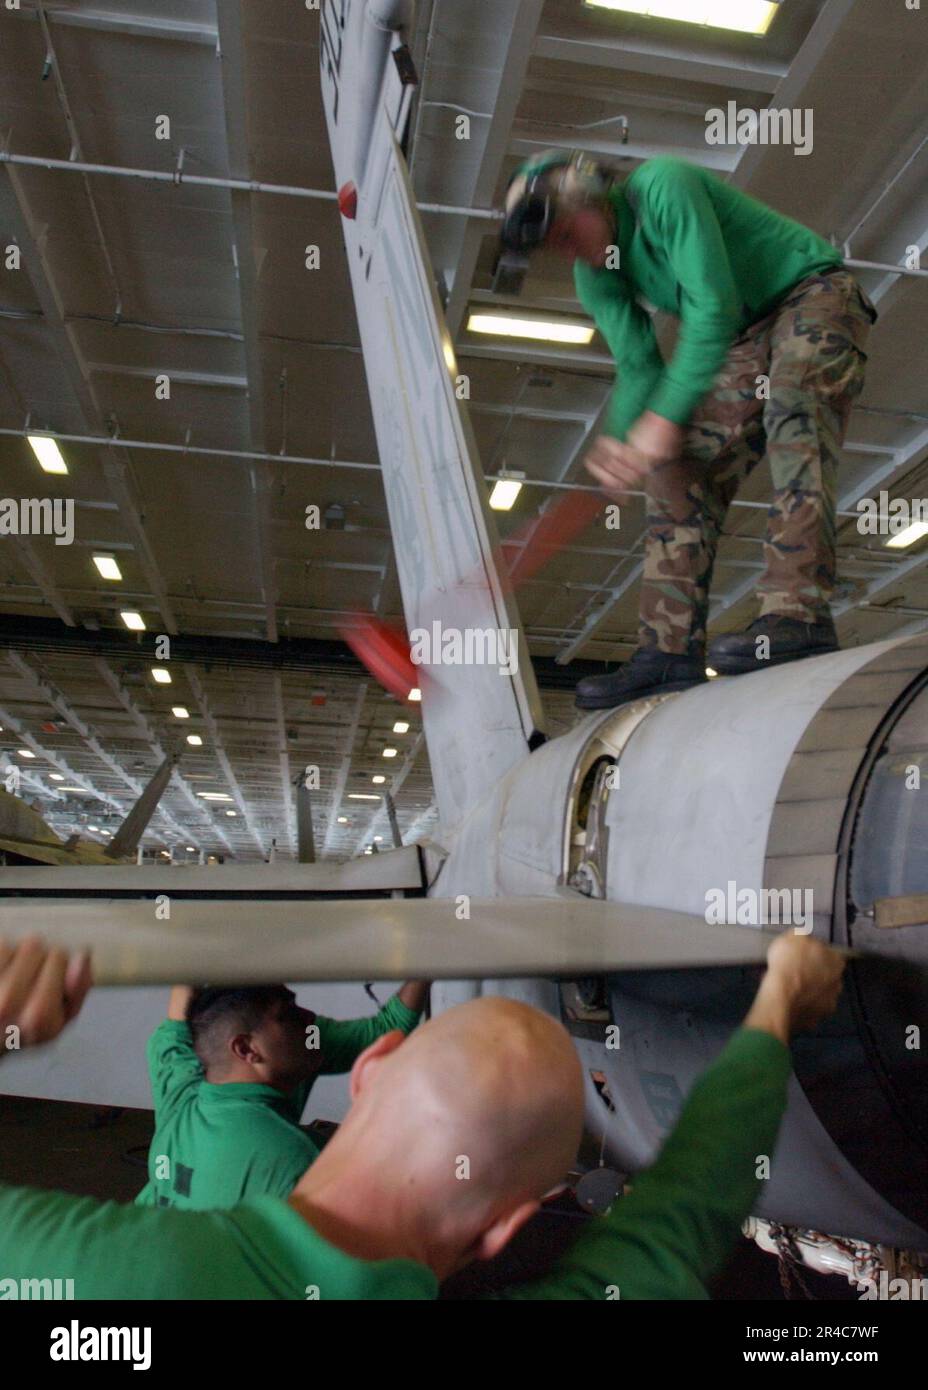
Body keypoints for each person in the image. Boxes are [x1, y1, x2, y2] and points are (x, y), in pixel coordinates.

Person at [0, 930, 843, 1299]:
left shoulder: (88, 1270)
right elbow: (681, 1219)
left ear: (367, 1071)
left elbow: (678, 1225)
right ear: (505, 1229)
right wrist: (775, 1007)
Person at [500, 152, 877, 709]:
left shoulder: (662, 187)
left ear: (590, 196)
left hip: (813, 295)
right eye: (552, 245)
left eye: (564, 231)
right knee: (674, 469)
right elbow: (638, 367)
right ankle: (669, 653)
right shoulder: (594, 273)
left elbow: (713, 307)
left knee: (793, 413)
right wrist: (623, 438)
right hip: (747, 335)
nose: (565, 249)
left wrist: (664, 415)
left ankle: (798, 617)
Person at [135, 979, 429, 1209]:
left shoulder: (179, 1084)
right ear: (246, 1049)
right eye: (288, 1014)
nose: (309, 1018)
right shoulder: (299, 1160)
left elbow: (176, 1023)